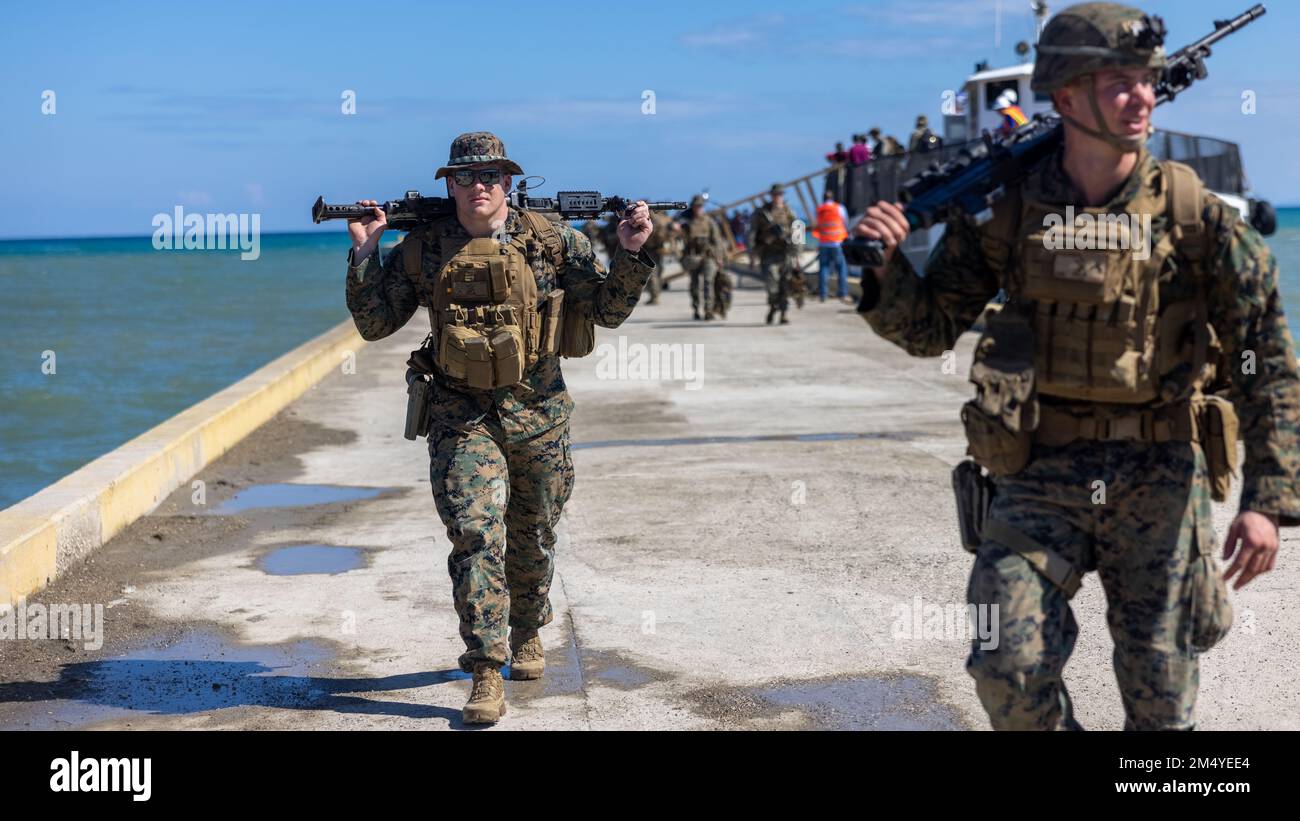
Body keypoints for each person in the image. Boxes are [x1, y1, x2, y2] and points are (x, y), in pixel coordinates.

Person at [853, 3, 1300, 731]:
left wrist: (1268, 501)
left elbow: (1270, 362)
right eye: (1119, 81)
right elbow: (930, 326)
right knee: (1007, 666)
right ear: (1066, 97)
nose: (1143, 97)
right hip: (1040, 469)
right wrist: (885, 268)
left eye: (1148, 81)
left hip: (1160, 471)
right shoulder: (1011, 211)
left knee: (1161, 709)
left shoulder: (1194, 215)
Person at [344, 132, 656, 724]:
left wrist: (631, 253)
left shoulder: (553, 240)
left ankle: (528, 629)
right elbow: (376, 324)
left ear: (510, 182)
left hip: (539, 414)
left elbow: (607, 313)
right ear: (449, 184)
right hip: (460, 416)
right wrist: (365, 253)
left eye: (491, 175)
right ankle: (485, 669)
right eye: (466, 176)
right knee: (475, 533)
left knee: (533, 534)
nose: (479, 185)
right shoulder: (425, 248)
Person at [749, 183, 800, 325]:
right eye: (775, 195)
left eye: (780, 194)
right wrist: (752, 254)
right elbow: (752, 233)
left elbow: (798, 232)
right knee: (772, 287)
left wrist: (797, 255)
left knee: (785, 286)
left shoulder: (790, 212)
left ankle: (783, 314)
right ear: (771, 196)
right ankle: (773, 306)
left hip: (786, 254)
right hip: (769, 254)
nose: (778, 197)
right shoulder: (761, 213)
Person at [678, 194, 727, 320]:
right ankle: (695, 308)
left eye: (700, 206)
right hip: (693, 257)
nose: (698, 209)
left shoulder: (709, 221)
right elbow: (677, 237)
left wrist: (719, 257)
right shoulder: (686, 222)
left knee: (708, 282)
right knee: (694, 285)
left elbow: (717, 240)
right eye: (696, 206)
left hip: (708, 256)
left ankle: (708, 310)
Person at [811, 190, 851, 303]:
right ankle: (843, 293)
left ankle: (823, 294)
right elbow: (846, 223)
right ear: (833, 198)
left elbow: (816, 224)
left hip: (823, 242)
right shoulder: (839, 208)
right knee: (841, 268)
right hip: (837, 243)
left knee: (824, 268)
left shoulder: (819, 209)